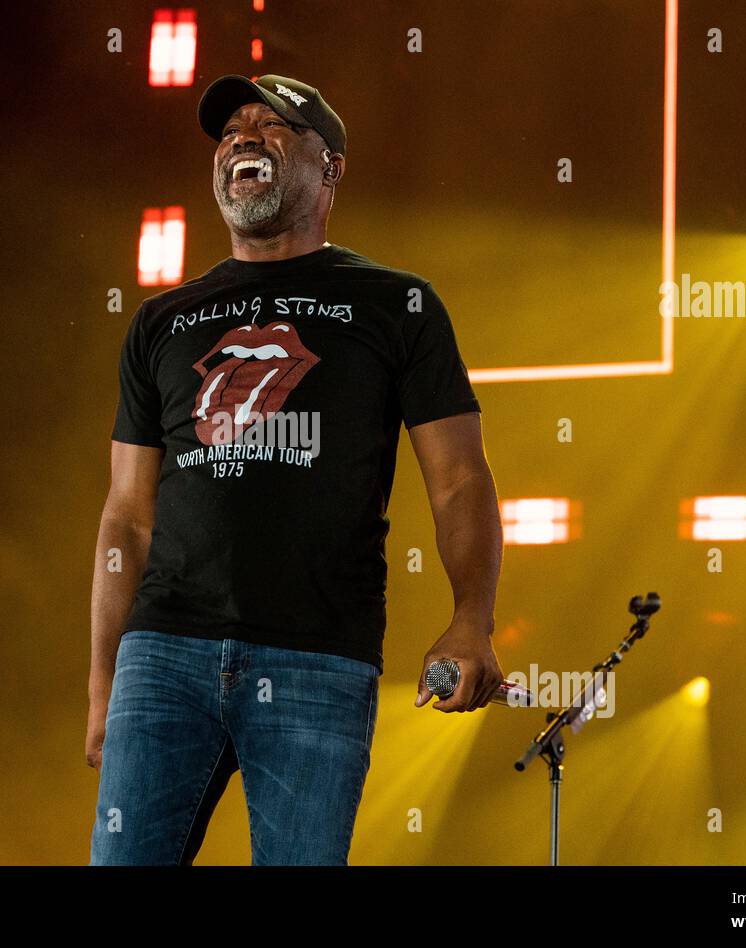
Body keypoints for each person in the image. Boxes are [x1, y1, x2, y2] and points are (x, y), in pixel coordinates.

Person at [88, 74, 504, 865]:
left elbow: (459, 479)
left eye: (272, 124)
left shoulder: (398, 305)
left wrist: (471, 619)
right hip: (164, 654)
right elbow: (126, 517)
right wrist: (105, 681)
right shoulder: (160, 320)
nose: (242, 137)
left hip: (320, 654)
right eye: (229, 130)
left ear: (330, 167)